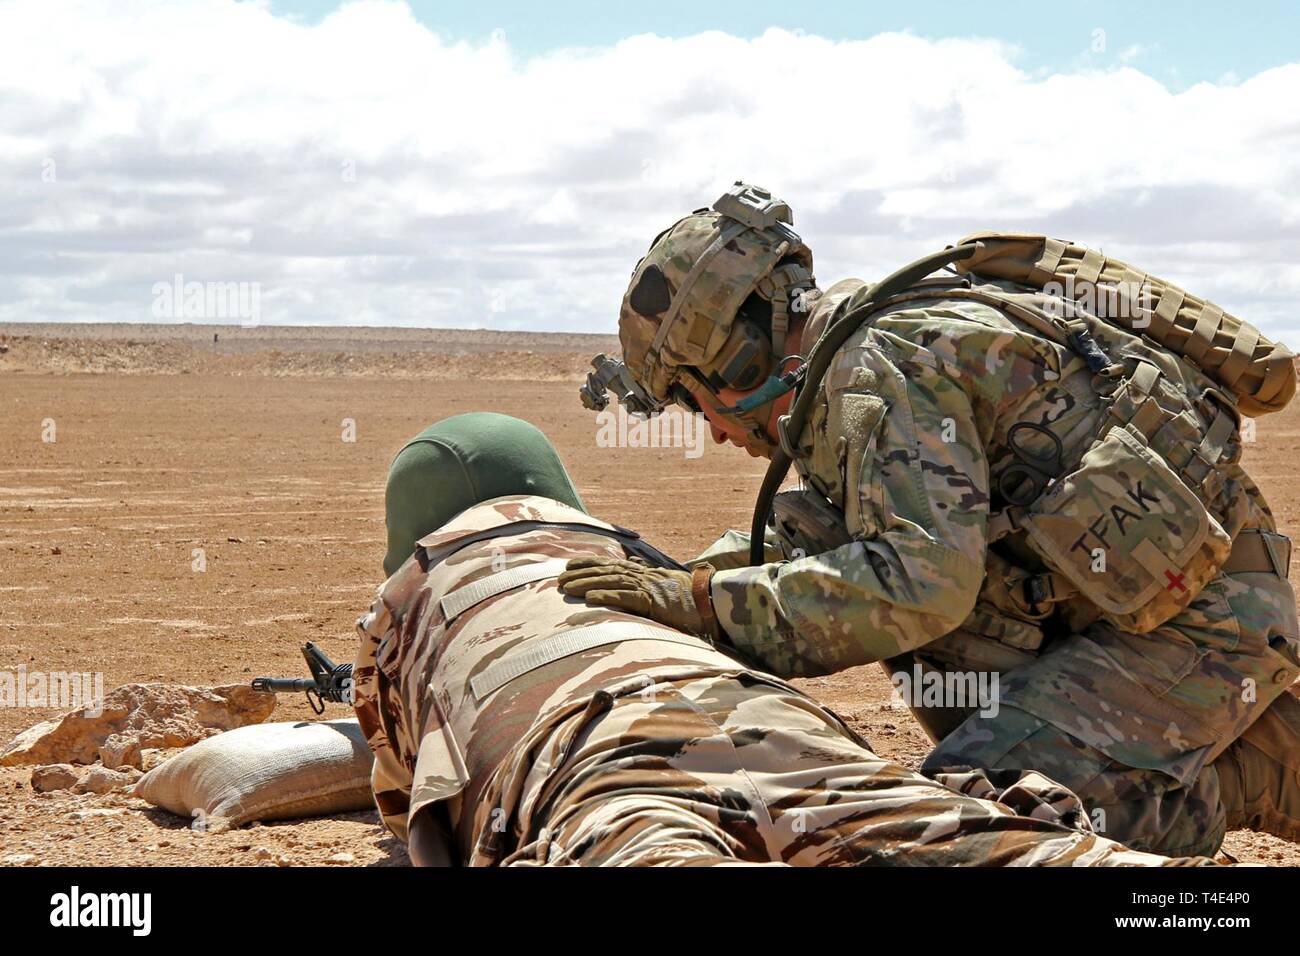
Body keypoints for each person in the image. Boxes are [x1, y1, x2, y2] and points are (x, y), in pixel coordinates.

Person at [560, 182, 1300, 858]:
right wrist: (679, 581)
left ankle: (1233, 778)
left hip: (1202, 625)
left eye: (694, 399)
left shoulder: (878, 368)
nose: (716, 432)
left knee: (989, 808)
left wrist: (703, 605)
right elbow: (817, 532)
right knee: (941, 675)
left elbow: (922, 584)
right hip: (1147, 615)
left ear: (739, 360)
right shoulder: (855, 361)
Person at [352, 412, 1211, 867]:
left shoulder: (409, 599)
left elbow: (402, 793)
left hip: (593, 769)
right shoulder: (629, 561)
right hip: (777, 734)